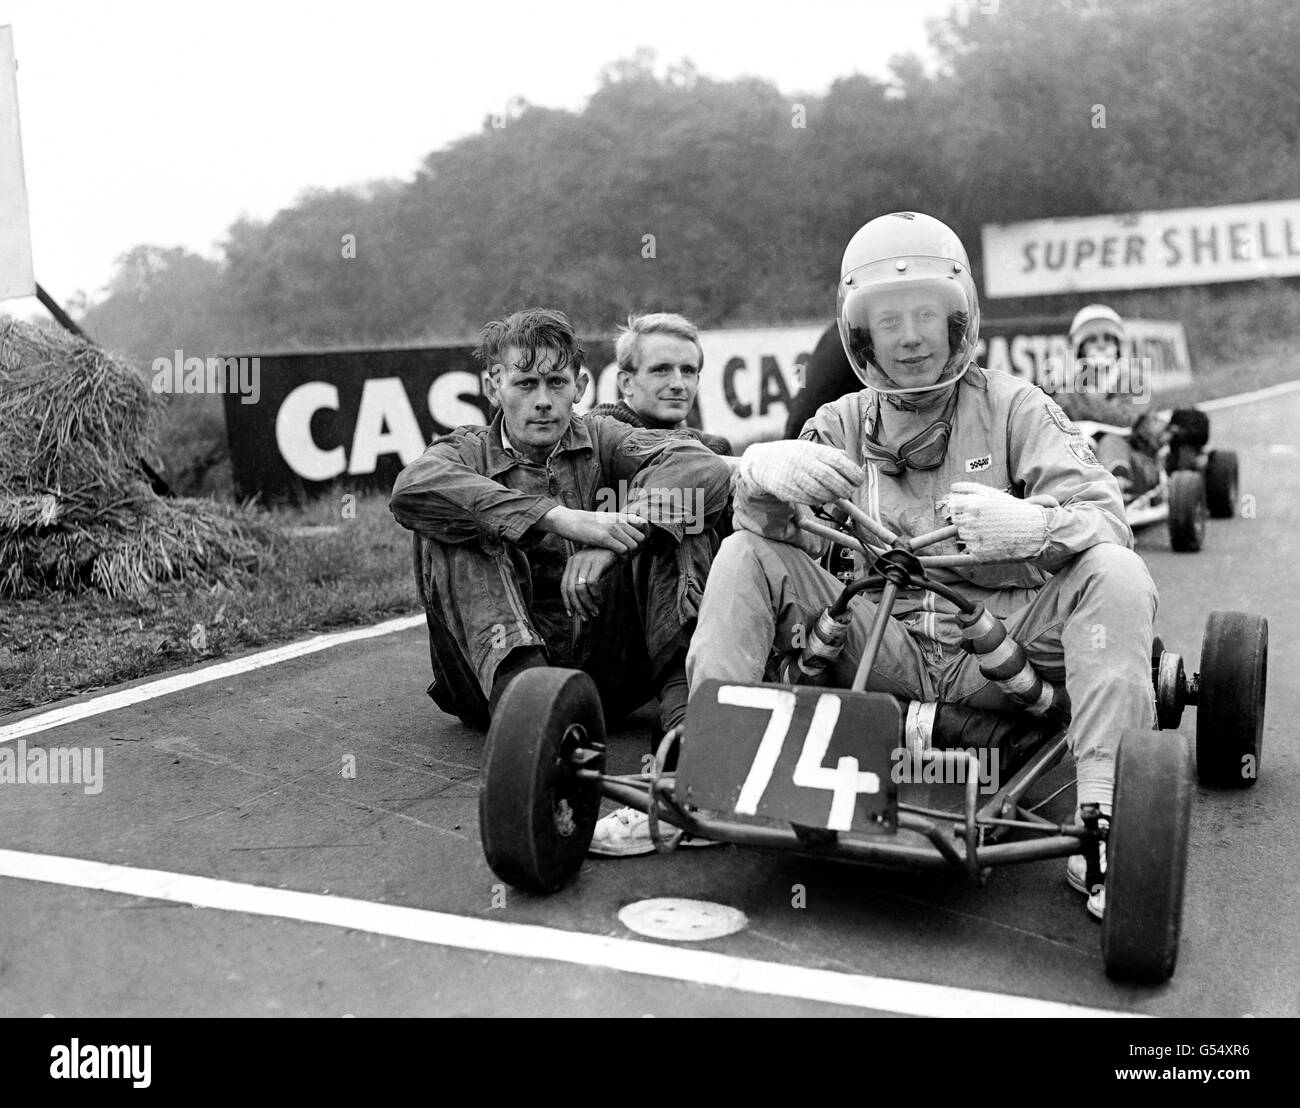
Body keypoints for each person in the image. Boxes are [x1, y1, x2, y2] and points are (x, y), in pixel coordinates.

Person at [686, 212, 1159, 921]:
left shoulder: (1015, 407)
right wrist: (756, 478)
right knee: (739, 552)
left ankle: (1103, 824)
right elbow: (766, 535)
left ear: (957, 323)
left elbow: (1108, 521)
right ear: (862, 333)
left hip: (998, 645)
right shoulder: (841, 422)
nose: (908, 337)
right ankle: (711, 760)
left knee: (1117, 576)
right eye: (889, 319)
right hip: (881, 645)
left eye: (925, 317)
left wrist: (1035, 527)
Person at [388, 307, 732, 775]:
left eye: (557, 383)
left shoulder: (603, 435)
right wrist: (563, 519)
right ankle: (533, 708)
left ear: (581, 388)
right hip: (490, 686)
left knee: (681, 516)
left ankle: (683, 724)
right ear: (494, 387)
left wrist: (611, 539)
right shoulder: (466, 449)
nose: (544, 401)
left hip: (607, 671)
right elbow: (410, 489)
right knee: (453, 520)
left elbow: (703, 466)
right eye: (526, 384)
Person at [589, 312, 733, 456]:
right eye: (662, 370)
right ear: (626, 383)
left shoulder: (714, 449)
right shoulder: (594, 441)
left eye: (688, 371)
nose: (679, 384)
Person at [1054, 304, 1163, 496]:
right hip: (1083, 456)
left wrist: (1084, 401)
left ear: (1118, 346)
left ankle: (1114, 484)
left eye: (1107, 339)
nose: (1101, 345)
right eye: (1093, 340)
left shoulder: (1135, 382)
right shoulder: (1069, 387)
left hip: (1135, 460)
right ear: (1080, 348)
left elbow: (1126, 419)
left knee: (1110, 440)